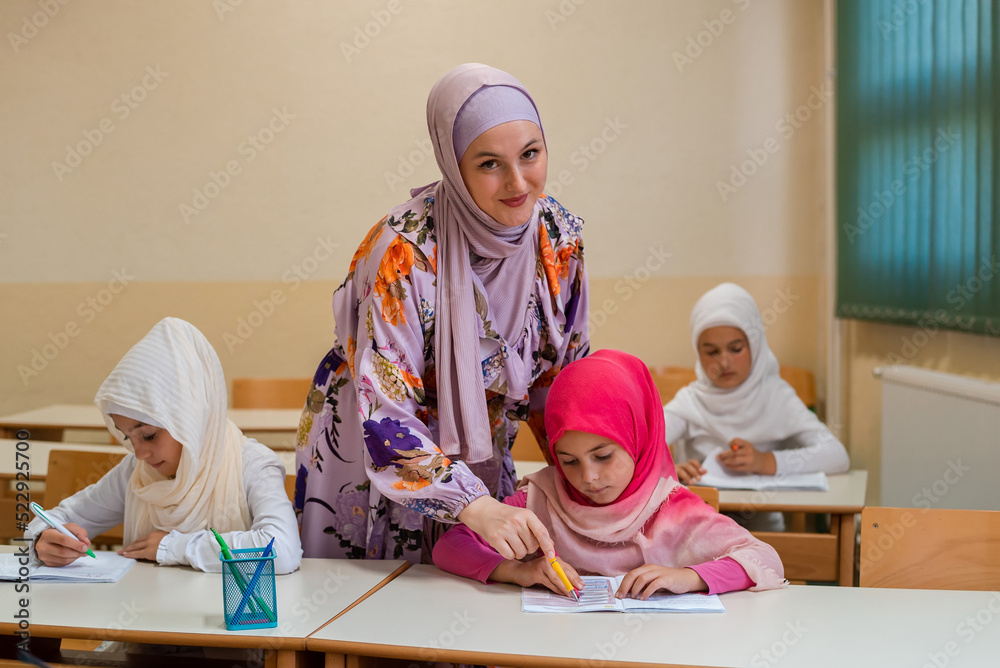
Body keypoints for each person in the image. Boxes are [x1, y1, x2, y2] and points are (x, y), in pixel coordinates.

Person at [295, 63, 589, 564]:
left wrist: (588, 482)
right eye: (489, 164)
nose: (519, 182)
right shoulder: (405, 251)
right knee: (379, 615)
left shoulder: (558, 238)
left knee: (477, 600)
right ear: (453, 164)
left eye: (530, 154)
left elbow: (562, 380)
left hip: (483, 451)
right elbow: (385, 413)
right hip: (374, 456)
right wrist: (473, 503)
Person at [432, 349, 785, 599]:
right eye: (568, 461)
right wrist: (519, 572)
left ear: (637, 439)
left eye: (603, 456)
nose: (588, 477)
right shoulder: (540, 497)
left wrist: (689, 577)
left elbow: (766, 560)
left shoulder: (673, 507)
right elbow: (450, 546)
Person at [27, 317, 302, 575]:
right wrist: (43, 539)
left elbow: (282, 550)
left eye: (148, 435)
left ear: (191, 418)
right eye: (126, 437)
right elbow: (57, 517)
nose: (139, 453)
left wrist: (176, 547)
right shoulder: (137, 474)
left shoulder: (252, 465)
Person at [664, 282, 849, 530]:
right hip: (696, 530)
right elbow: (635, 449)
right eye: (711, 352)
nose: (724, 361)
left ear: (756, 344)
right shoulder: (691, 400)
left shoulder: (776, 397)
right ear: (698, 353)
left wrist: (766, 461)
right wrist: (668, 470)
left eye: (736, 348)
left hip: (764, 533)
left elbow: (836, 455)